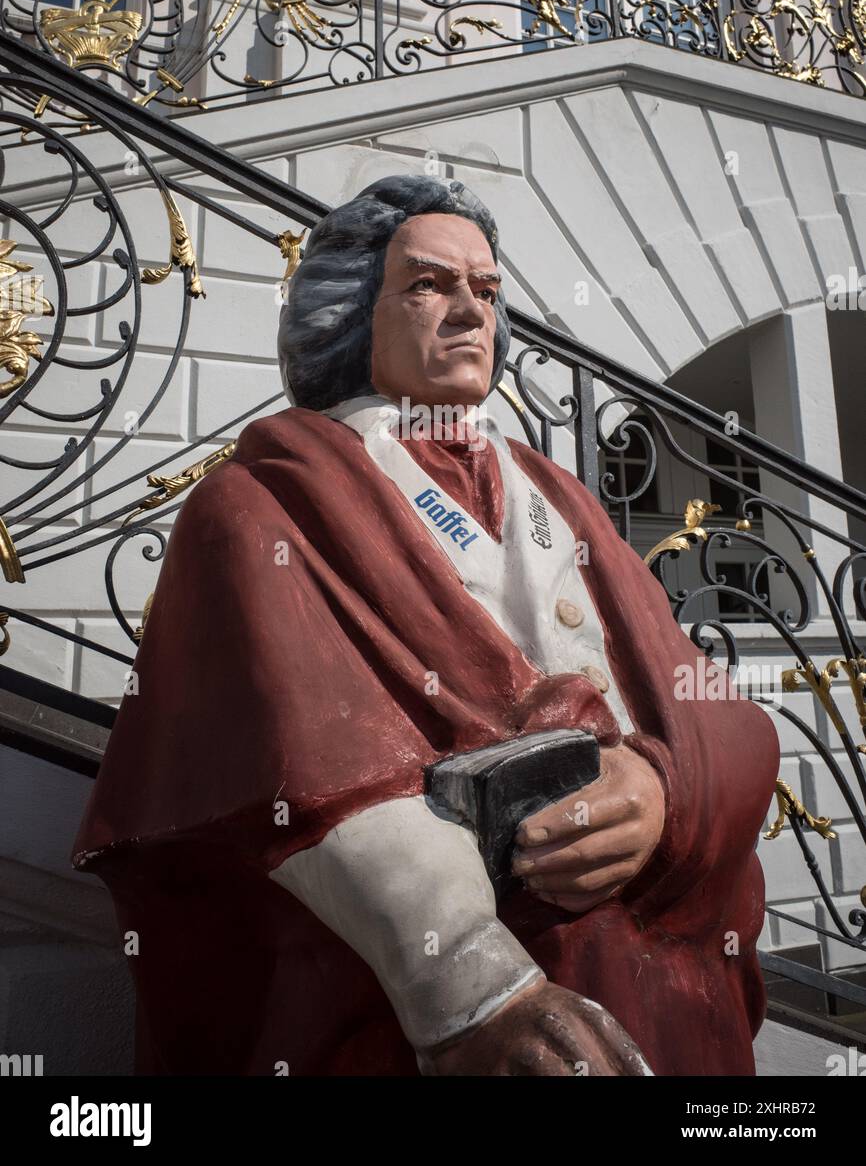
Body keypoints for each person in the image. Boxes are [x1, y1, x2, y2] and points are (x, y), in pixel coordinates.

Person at [73, 174, 780, 1076]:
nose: (468, 311)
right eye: (428, 284)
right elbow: (304, 770)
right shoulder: (253, 505)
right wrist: (474, 991)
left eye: (484, 290)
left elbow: (709, 706)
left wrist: (663, 792)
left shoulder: (563, 496)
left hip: (652, 989)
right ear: (353, 311)